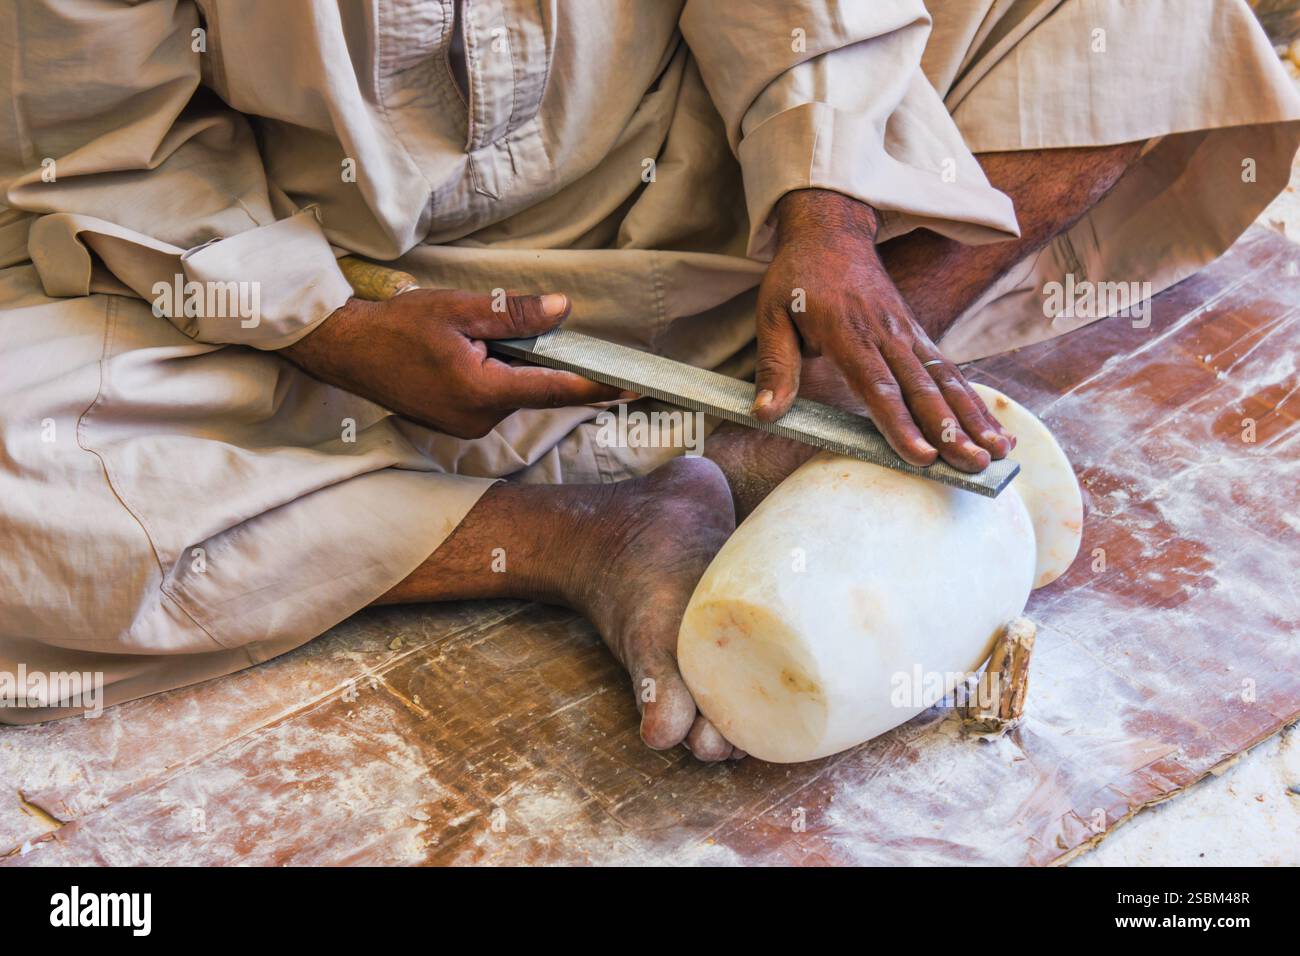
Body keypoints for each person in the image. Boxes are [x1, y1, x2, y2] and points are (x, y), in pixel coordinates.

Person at [2, 1, 1296, 762]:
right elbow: (109, 149)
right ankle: (581, 533)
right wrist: (337, 332)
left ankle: (801, 401)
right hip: (341, 284)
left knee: (1145, 14)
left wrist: (826, 201)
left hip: (707, 193)